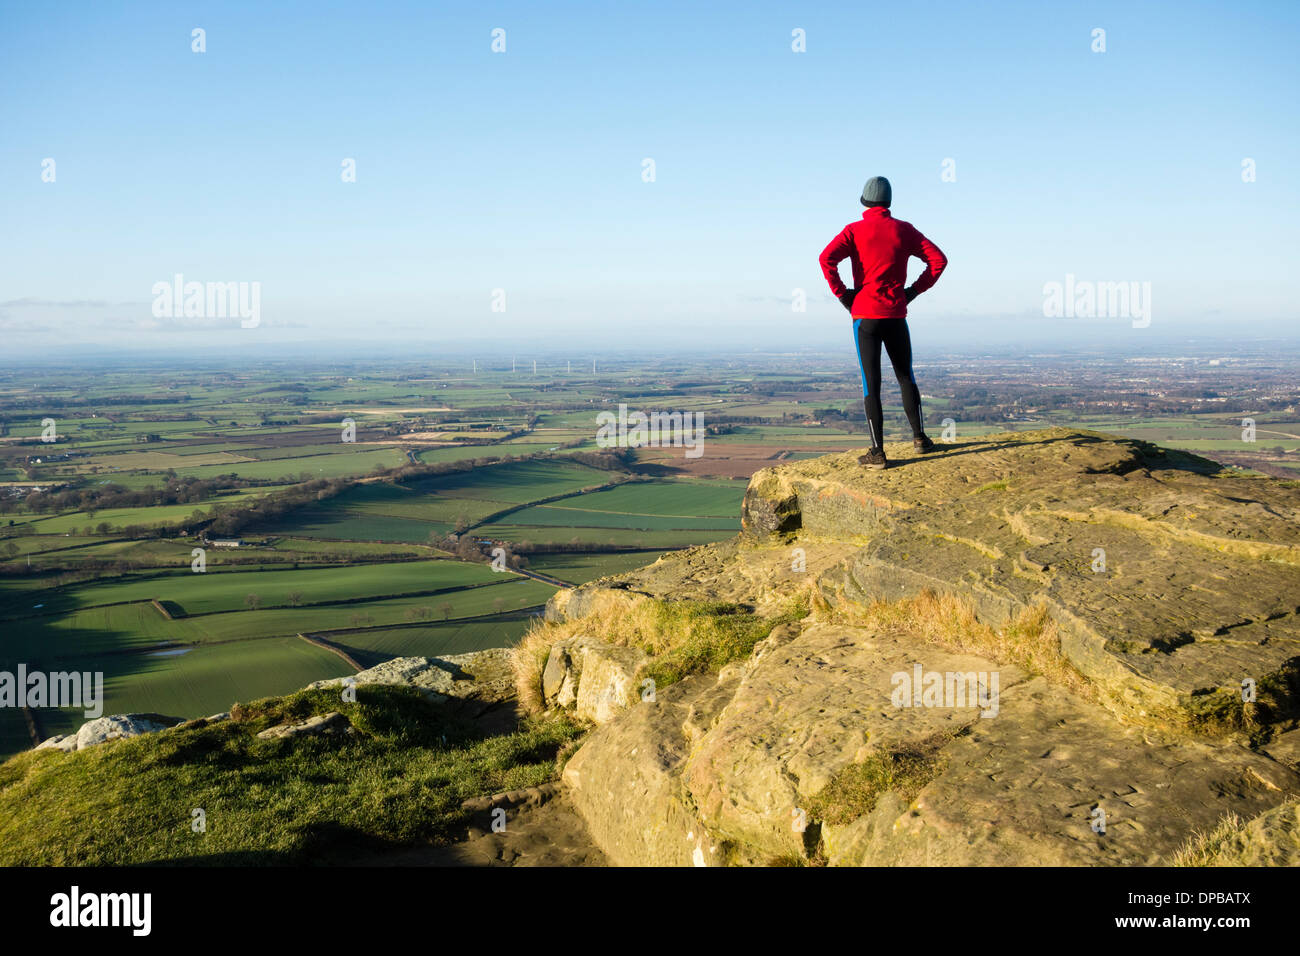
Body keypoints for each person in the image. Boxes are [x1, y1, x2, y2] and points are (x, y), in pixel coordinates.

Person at [819, 176, 948, 469]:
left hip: (864, 316)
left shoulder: (853, 231)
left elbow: (826, 259)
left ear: (864, 201)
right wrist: (912, 291)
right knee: (906, 376)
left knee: (871, 384)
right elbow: (938, 261)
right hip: (896, 315)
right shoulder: (904, 230)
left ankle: (877, 453)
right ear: (888, 202)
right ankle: (920, 439)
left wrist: (843, 296)